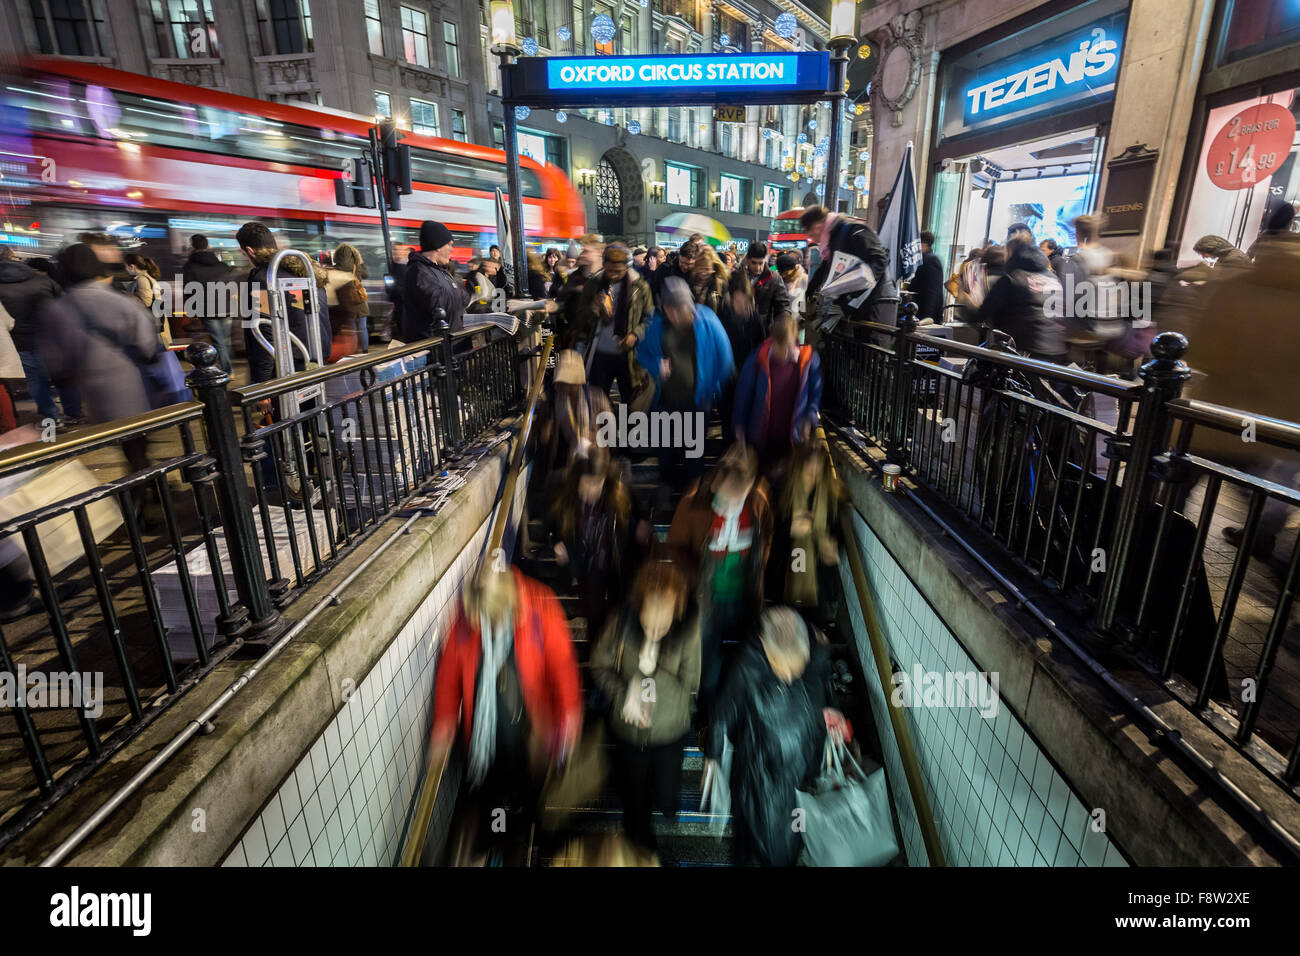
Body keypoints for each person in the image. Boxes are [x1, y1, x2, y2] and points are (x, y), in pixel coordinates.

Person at [429, 563, 582, 826]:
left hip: (528, 732)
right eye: (480, 617)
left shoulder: (540, 608)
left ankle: (524, 826)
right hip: (482, 737)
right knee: (489, 791)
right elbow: (449, 674)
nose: (483, 623)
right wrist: (444, 722)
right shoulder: (469, 615)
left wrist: (568, 716)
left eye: (492, 617)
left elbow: (563, 668)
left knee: (526, 788)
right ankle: (495, 830)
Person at [704, 606, 847, 866]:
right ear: (765, 648)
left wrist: (832, 711)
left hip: (804, 776)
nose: (791, 677)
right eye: (783, 670)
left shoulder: (817, 655)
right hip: (760, 778)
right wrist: (712, 756)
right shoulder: (747, 666)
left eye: (797, 669)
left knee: (790, 845)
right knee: (759, 850)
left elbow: (826, 691)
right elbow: (723, 715)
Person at [1191, 226, 1300, 562]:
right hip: (1279, 419)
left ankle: (1158, 532)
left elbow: (1202, 351)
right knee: (1264, 482)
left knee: (1184, 473)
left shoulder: (1235, 288)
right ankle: (1260, 535)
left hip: (1223, 410)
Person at [590, 560, 701, 854]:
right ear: (638, 608)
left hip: (670, 732)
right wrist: (625, 693)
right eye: (648, 623)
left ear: (676, 616)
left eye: (663, 626)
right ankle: (640, 841)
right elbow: (599, 664)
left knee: (667, 793)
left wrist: (651, 684)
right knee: (634, 796)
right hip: (628, 733)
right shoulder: (621, 623)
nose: (654, 632)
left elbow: (691, 684)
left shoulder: (689, 630)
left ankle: (666, 805)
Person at [668, 443, 772, 719]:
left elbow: (767, 537)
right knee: (708, 673)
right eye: (725, 500)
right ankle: (706, 726)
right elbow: (674, 546)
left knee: (742, 666)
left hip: (745, 599)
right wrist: (694, 577)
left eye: (737, 500)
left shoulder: (759, 499)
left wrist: (759, 567)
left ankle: (735, 721)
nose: (729, 507)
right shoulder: (695, 501)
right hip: (708, 601)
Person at [39, 244, 161, 474]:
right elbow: (148, 346)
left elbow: (56, 362)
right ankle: (146, 487)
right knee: (138, 444)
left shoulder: (56, 310)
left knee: (124, 444)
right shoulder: (122, 301)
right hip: (132, 384)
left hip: (93, 391)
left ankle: (142, 487)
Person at [635, 276, 735, 492]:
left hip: (697, 402)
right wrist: (655, 366)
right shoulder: (657, 322)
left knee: (693, 456)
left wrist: (711, 391)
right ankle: (668, 493)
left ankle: (691, 499)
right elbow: (641, 352)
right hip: (665, 401)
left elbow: (726, 360)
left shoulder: (707, 321)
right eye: (671, 310)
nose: (676, 315)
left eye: (680, 310)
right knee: (666, 453)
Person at [549, 445, 637, 639]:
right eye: (586, 484)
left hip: (613, 568)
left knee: (615, 619)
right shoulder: (567, 504)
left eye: (597, 484)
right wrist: (558, 547)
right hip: (585, 571)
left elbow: (630, 528)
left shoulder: (617, 497)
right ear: (577, 482)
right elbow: (555, 528)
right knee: (593, 618)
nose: (591, 490)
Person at [236, 221, 332, 383]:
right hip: (317, 359)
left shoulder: (262, 279)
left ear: (250, 251)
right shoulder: (305, 271)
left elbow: (263, 333)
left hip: (286, 367)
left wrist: (262, 383)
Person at [0, 247, 82, 426]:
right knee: (63, 376)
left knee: (37, 381)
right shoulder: (42, 279)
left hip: (20, 341)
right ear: (14, 259)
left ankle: (52, 418)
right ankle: (74, 413)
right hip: (52, 336)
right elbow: (64, 304)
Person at [733, 314, 823, 475]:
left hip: (792, 439)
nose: (787, 353)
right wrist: (739, 425)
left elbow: (815, 395)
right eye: (782, 347)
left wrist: (810, 418)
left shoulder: (808, 360)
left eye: (790, 346)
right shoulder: (757, 359)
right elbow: (743, 394)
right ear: (773, 341)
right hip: (761, 437)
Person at [767, 442, 841, 626]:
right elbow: (767, 537)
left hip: (816, 591)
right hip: (784, 584)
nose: (814, 472)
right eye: (810, 466)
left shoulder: (829, 498)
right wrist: (789, 530)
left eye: (819, 467)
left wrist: (832, 549)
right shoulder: (781, 493)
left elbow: (836, 537)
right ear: (799, 465)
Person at [577, 243, 653, 406]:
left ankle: (628, 430)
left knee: (629, 400)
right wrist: (593, 309)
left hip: (628, 355)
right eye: (609, 270)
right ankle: (603, 430)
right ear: (604, 265)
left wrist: (635, 335)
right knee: (598, 401)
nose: (612, 275)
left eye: (617, 272)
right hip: (600, 353)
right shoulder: (594, 284)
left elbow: (649, 318)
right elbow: (580, 318)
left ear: (627, 268)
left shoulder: (640, 287)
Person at [802, 205, 897, 326]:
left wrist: (852, 295)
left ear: (817, 226)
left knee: (871, 343)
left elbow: (880, 259)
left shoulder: (853, 230)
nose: (811, 238)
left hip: (875, 303)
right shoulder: (832, 241)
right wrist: (808, 296)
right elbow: (823, 271)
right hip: (854, 306)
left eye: (809, 232)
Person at [974, 235, 1064, 363]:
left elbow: (982, 313)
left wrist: (970, 304)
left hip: (1022, 351)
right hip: (1055, 349)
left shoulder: (1012, 278)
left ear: (1011, 253)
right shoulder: (1052, 277)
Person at [403, 220, 469, 342]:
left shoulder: (441, 270)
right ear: (438, 246)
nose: (452, 249)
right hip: (434, 347)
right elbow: (439, 303)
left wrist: (455, 289)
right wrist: (456, 289)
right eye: (449, 244)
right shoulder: (419, 271)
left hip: (452, 342)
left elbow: (464, 299)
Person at [182, 235, 235, 372]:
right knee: (226, 341)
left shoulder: (190, 266)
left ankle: (226, 370)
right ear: (208, 246)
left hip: (207, 308)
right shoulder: (222, 266)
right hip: (227, 306)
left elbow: (189, 289)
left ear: (193, 246)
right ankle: (228, 368)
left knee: (219, 342)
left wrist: (191, 311)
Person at [324, 242, 370, 359]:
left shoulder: (338, 269)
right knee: (362, 328)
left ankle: (353, 354)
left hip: (347, 301)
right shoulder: (357, 266)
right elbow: (366, 275)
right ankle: (365, 352)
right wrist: (360, 260)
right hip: (359, 300)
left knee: (351, 329)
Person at [738, 241, 791, 333]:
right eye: (754, 263)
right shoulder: (737, 277)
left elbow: (783, 306)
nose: (757, 268)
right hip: (739, 330)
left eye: (760, 263)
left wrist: (783, 325)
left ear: (765, 260)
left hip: (763, 331)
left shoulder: (774, 278)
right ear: (747, 259)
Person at [912, 230, 945, 322]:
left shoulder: (931, 260)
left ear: (923, 244)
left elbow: (932, 291)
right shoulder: (925, 259)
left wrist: (927, 316)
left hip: (926, 313)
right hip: (922, 310)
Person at [688, 244, 729, 314]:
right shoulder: (691, 280)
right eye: (701, 268)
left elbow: (725, 310)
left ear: (713, 267)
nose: (703, 273)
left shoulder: (720, 284)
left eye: (707, 269)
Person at [776, 251, 809, 320]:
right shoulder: (778, 280)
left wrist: (803, 316)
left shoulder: (804, 278)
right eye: (783, 274)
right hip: (783, 321)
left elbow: (805, 300)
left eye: (788, 273)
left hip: (801, 321)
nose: (786, 277)